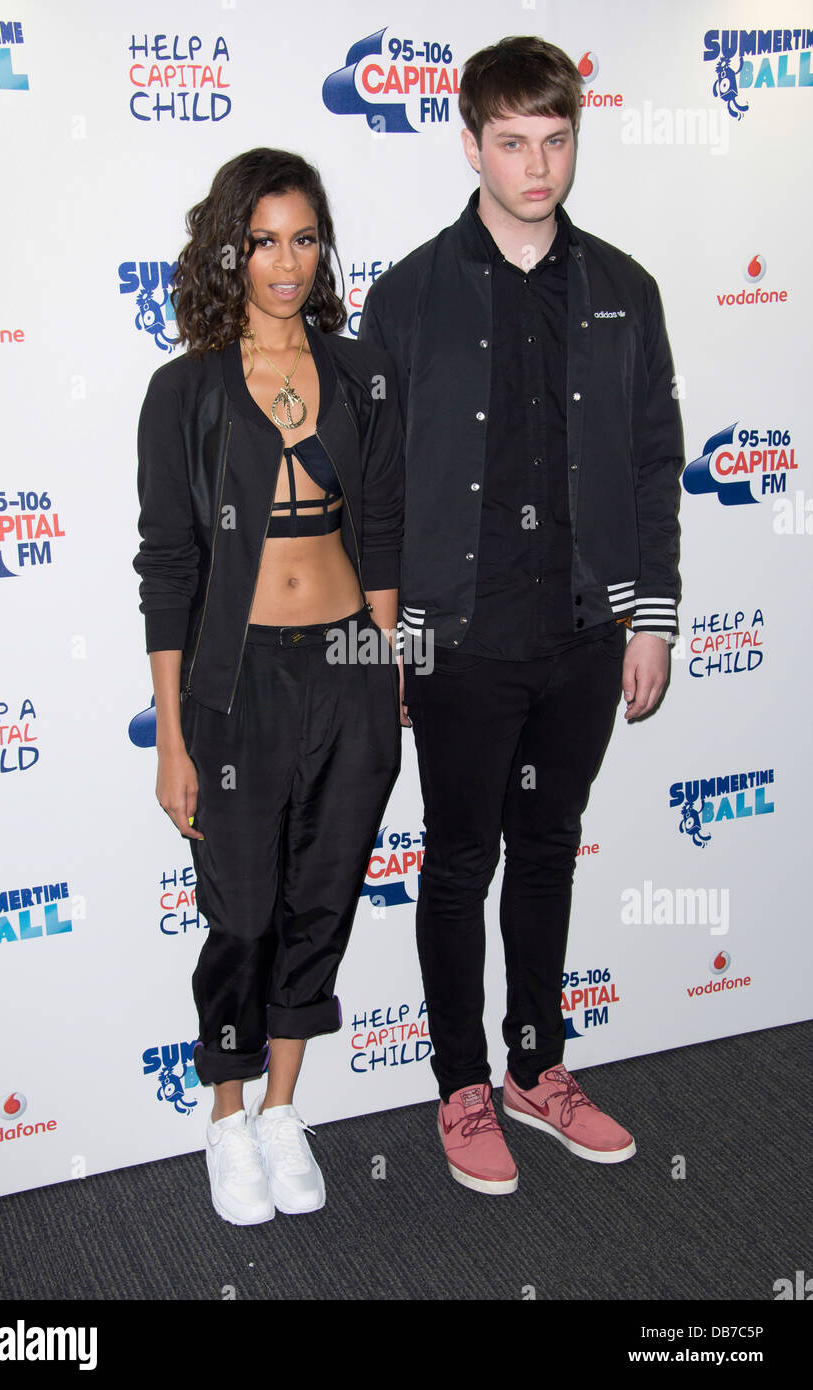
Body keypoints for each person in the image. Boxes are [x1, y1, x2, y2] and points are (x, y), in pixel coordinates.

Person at [359, 36, 683, 1194]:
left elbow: (654, 466)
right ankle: (459, 1083)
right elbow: (377, 492)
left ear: (574, 138)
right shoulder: (405, 299)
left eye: (555, 141)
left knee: (548, 848)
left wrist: (652, 620)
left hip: (587, 634)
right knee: (458, 861)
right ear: (471, 144)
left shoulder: (624, 290)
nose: (537, 166)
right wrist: (389, 635)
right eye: (512, 143)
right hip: (458, 638)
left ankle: (538, 1069)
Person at [134, 149, 404, 1224]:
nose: (285, 263)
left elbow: (381, 532)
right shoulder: (185, 390)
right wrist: (171, 732)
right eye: (263, 241)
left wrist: (386, 675)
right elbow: (169, 565)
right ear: (230, 250)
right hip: (234, 682)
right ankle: (226, 1117)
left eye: (303, 238)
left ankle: (284, 1112)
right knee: (240, 911)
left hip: (347, 666)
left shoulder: (359, 373)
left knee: (320, 900)